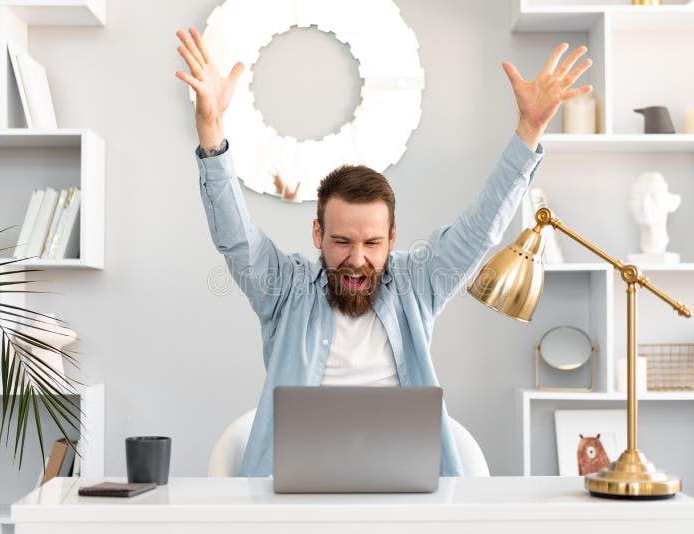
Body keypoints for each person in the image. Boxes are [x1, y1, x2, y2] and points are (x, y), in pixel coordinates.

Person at [175, 27, 592, 477]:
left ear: (393, 239)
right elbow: (236, 237)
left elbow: (481, 230)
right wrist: (211, 132)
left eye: (372, 243)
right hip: (291, 492)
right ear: (317, 234)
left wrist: (529, 130)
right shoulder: (284, 289)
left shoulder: (418, 283)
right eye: (342, 241)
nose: (357, 258)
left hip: (404, 485)